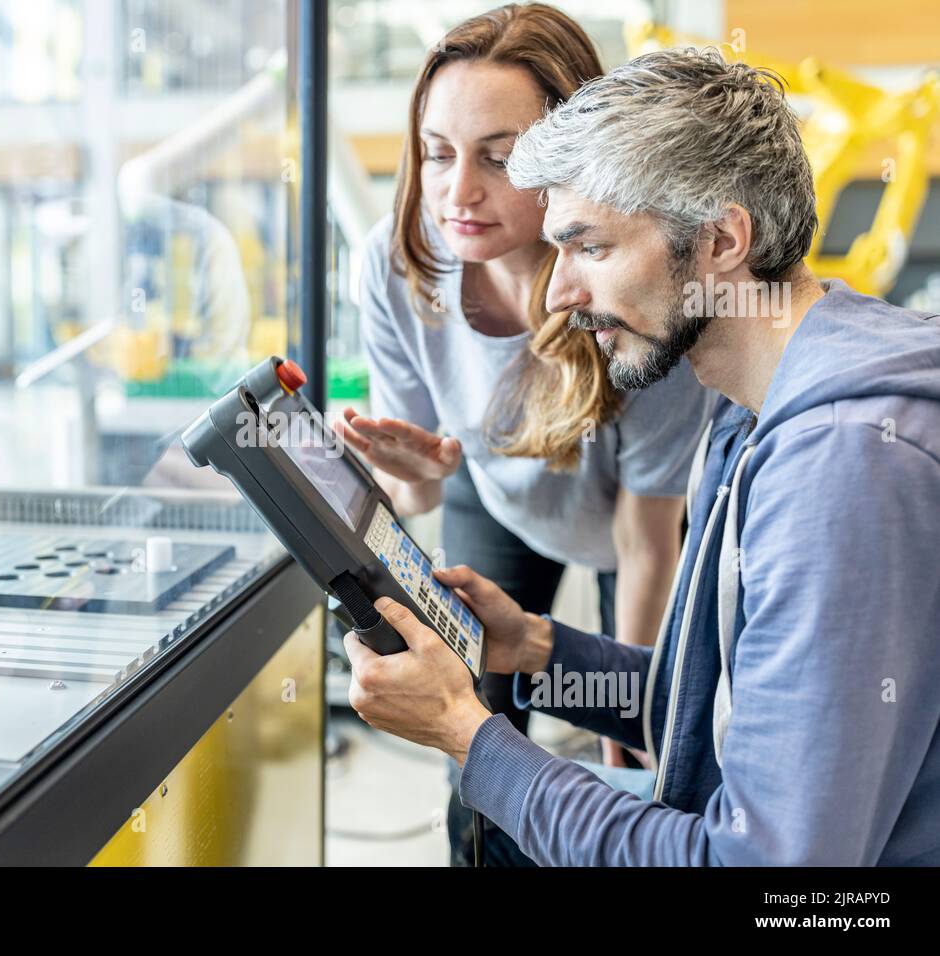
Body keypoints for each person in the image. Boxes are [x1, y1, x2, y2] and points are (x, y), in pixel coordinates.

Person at [344, 46, 940, 865]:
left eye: (590, 248)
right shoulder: (752, 407)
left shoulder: (840, 472)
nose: (557, 294)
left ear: (724, 241)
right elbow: (719, 706)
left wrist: (466, 735)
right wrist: (538, 650)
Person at [332, 4, 712, 864]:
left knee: (658, 746)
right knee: (473, 731)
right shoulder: (395, 268)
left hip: (640, 523)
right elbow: (422, 486)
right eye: (436, 154)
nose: (458, 192)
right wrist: (416, 475)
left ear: (568, 159)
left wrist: (633, 706)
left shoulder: (633, 281)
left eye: (498, 160)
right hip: (489, 490)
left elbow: (645, 539)